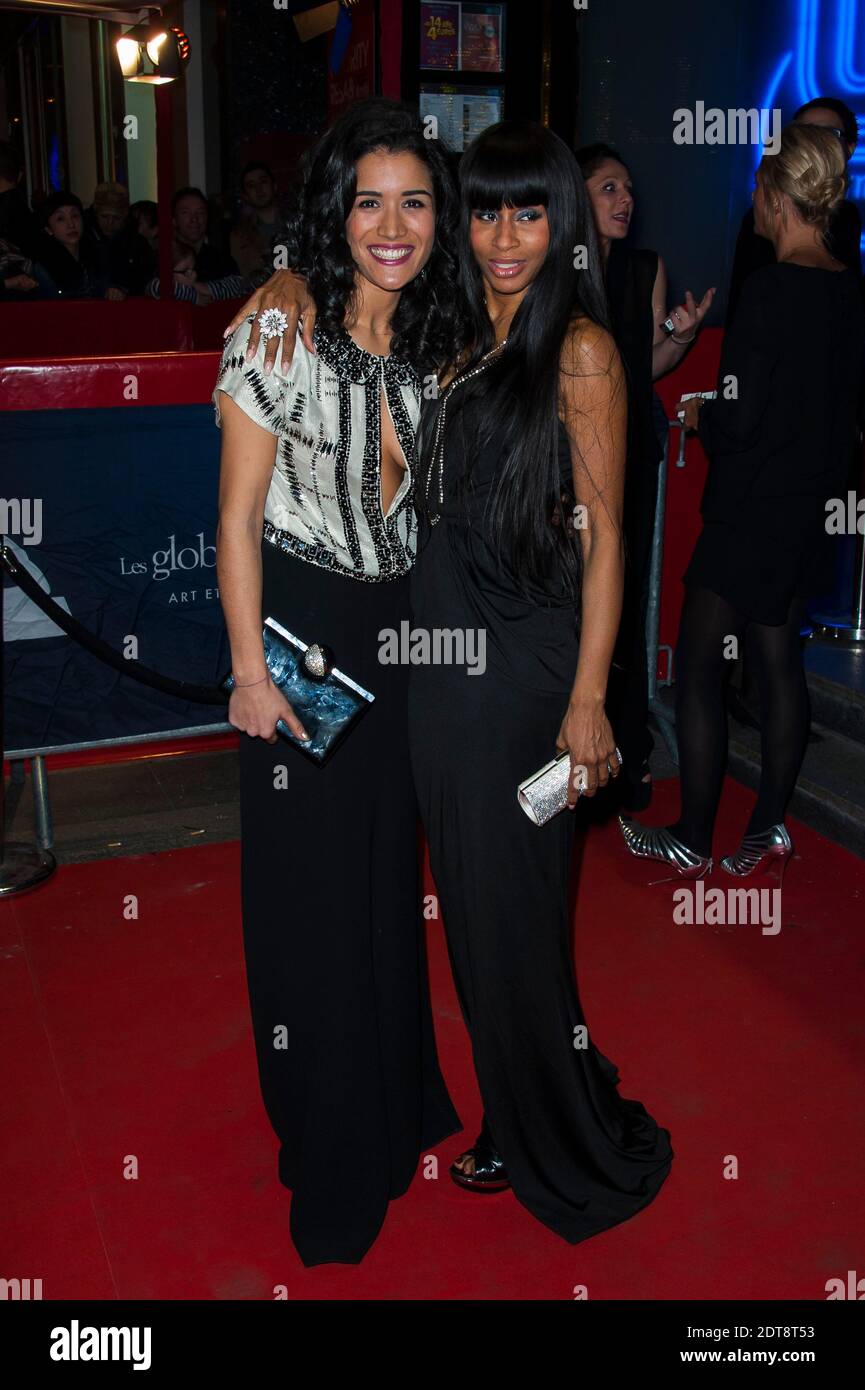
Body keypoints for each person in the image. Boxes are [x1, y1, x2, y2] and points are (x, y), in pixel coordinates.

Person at [227, 121, 674, 1245]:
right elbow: (342, 291)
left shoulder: (577, 349)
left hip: (513, 676)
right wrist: (285, 266)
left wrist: (590, 700)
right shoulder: (458, 332)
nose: (502, 235)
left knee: (505, 920)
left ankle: (551, 1135)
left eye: (528, 212)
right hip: (413, 661)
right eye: (485, 210)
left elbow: (607, 534)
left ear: (561, 222)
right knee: (455, 918)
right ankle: (485, 1110)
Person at [213, 98, 463, 1266]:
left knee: (379, 890)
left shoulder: (431, 341)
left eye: (415, 200)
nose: (393, 222)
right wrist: (249, 670)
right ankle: (329, 1148)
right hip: (303, 639)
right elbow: (234, 519)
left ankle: (392, 1098)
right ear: (336, 212)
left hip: (401, 640)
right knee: (311, 905)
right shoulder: (276, 332)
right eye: (369, 200)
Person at [619, 123, 865, 882]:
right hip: (809, 511)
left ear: (778, 198)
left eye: (757, 191)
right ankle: (766, 827)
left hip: (750, 511)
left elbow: (743, 415)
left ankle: (694, 834)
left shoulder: (768, 288)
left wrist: (700, 415)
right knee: (776, 661)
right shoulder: (850, 290)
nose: (750, 205)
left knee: (697, 666)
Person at [576, 143, 715, 810]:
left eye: (627, 189)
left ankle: (620, 759)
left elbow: (644, 364)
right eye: (607, 188)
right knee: (562, 603)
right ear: (576, 196)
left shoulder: (645, 268)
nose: (624, 199)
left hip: (627, 453)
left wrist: (681, 337)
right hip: (563, 458)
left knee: (622, 605)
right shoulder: (551, 265)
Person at [726, 97, 862, 327]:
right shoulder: (761, 216)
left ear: (850, 148)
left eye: (827, 134)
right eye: (803, 132)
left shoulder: (847, 219)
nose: (813, 143)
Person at [32, 191, 111, 299]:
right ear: (48, 229)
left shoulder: (97, 255)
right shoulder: (43, 268)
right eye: (61, 219)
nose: (71, 224)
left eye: (75, 216)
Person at [84, 181, 155, 297]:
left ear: (125, 215)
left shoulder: (137, 244)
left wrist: (123, 290)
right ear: (96, 213)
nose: (110, 223)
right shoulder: (82, 238)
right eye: (104, 216)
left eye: (116, 218)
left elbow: (145, 279)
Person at [230, 162, 292, 287]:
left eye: (263, 182)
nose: (259, 189)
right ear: (245, 196)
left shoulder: (294, 224)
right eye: (251, 186)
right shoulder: (240, 236)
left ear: (274, 186)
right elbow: (241, 279)